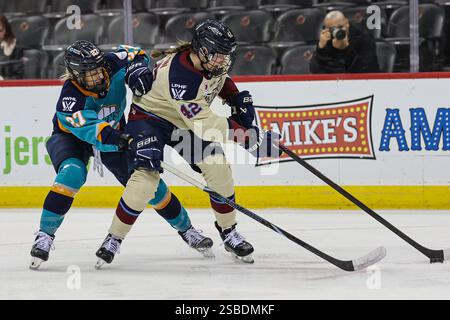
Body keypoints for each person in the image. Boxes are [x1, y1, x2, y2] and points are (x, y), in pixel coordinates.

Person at [95, 19, 281, 266]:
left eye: (226, 56)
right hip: (150, 120)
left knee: (217, 167)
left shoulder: (210, 61)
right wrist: (246, 136)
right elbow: (206, 125)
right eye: (218, 56)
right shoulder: (182, 78)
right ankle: (114, 238)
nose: (223, 61)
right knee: (144, 180)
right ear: (201, 50)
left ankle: (229, 232)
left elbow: (219, 81)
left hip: (182, 124)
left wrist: (234, 97)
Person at [30, 40, 213, 270]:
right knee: (72, 174)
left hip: (116, 133)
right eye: (90, 74)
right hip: (73, 138)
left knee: (150, 185)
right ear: (75, 75)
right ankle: (44, 236)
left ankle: (188, 231)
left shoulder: (112, 62)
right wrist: (120, 138)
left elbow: (138, 54)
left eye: (99, 69)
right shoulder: (70, 99)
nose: (98, 77)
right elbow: (92, 130)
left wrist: (138, 69)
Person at [309, 10, 380, 74]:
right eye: (332, 29)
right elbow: (315, 70)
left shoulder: (363, 37)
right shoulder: (328, 37)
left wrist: (346, 49)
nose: (338, 32)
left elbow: (365, 70)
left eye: (340, 27)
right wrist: (321, 49)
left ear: (347, 23)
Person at [0, 15, 24, 79]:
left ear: (6, 30)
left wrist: (3, 79)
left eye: (0, 30)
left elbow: (18, 77)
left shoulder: (15, 47)